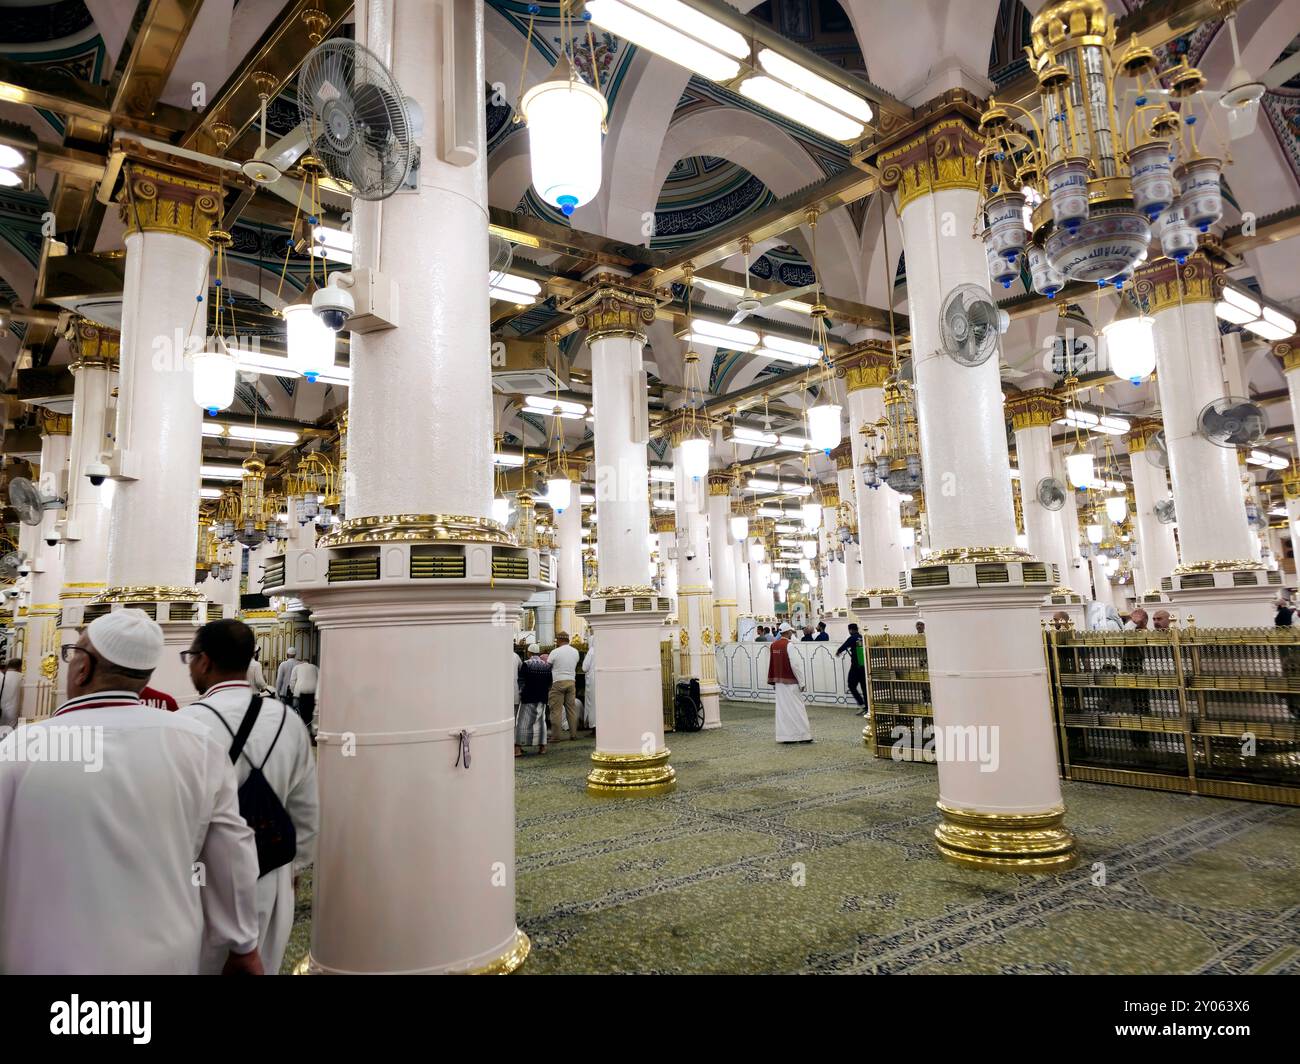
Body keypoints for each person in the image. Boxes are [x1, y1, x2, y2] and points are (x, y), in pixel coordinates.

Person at [0, 611, 262, 974]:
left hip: (42, 956)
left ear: (84, 668)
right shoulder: (198, 745)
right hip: (164, 957)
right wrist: (243, 944)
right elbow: (232, 854)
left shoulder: (22, 747)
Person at [178, 619, 318, 976]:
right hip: (270, 873)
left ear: (204, 662)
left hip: (198, 880)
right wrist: (295, 867)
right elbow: (305, 811)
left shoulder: (184, 725)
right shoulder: (288, 721)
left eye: (189, 657)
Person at [768, 622, 811, 743]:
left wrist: (773, 681)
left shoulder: (773, 645)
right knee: (798, 708)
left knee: (782, 710)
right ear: (787, 632)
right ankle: (804, 736)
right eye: (791, 631)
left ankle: (785, 736)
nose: (791, 633)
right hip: (791, 682)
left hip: (779, 683)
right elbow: (795, 665)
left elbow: (772, 664)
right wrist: (802, 682)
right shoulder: (789, 645)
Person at [516, 644, 550, 757]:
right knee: (540, 722)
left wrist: (521, 692)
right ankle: (542, 747)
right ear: (538, 653)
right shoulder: (546, 665)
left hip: (528, 697)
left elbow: (521, 681)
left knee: (522, 722)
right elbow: (549, 682)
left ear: (529, 653)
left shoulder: (526, 664)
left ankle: (518, 748)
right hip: (542, 697)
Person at [547, 632, 580, 741]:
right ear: (568, 640)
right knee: (571, 709)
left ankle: (556, 736)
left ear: (559, 640)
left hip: (558, 682)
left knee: (556, 710)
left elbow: (548, 665)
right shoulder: (575, 652)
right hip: (571, 682)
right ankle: (573, 734)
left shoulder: (555, 652)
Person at [836, 623, 867, 715]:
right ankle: (867, 708)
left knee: (851, 685)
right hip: (863, 666)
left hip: (855, 667)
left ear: (850, 630)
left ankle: (862, 705)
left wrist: (838, 652)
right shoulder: (861, 637)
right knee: (864, 687)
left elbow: (844, 646)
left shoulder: (852, 637)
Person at [290, 656, 319, 732]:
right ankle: (311, 730)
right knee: (310, 712)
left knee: (300, 712)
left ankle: (301, 729)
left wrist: (293, 692)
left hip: (300, 692)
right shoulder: (315, 667)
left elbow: (292, 681)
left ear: (302, 661)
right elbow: (320, 680)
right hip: (313, 692)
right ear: (309, 662)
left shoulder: (297, 667)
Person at [580, 636, 596, 732]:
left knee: (592, 704)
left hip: (592, 681)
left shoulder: (591, 651)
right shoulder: (605, 649)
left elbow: (584, 668)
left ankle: (594, 726)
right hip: (602, 680)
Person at [0, 657, 21, 728]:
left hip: (2, 708)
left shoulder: (2, 675)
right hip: (13, 710)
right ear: (19, 667)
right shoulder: (20, 678)